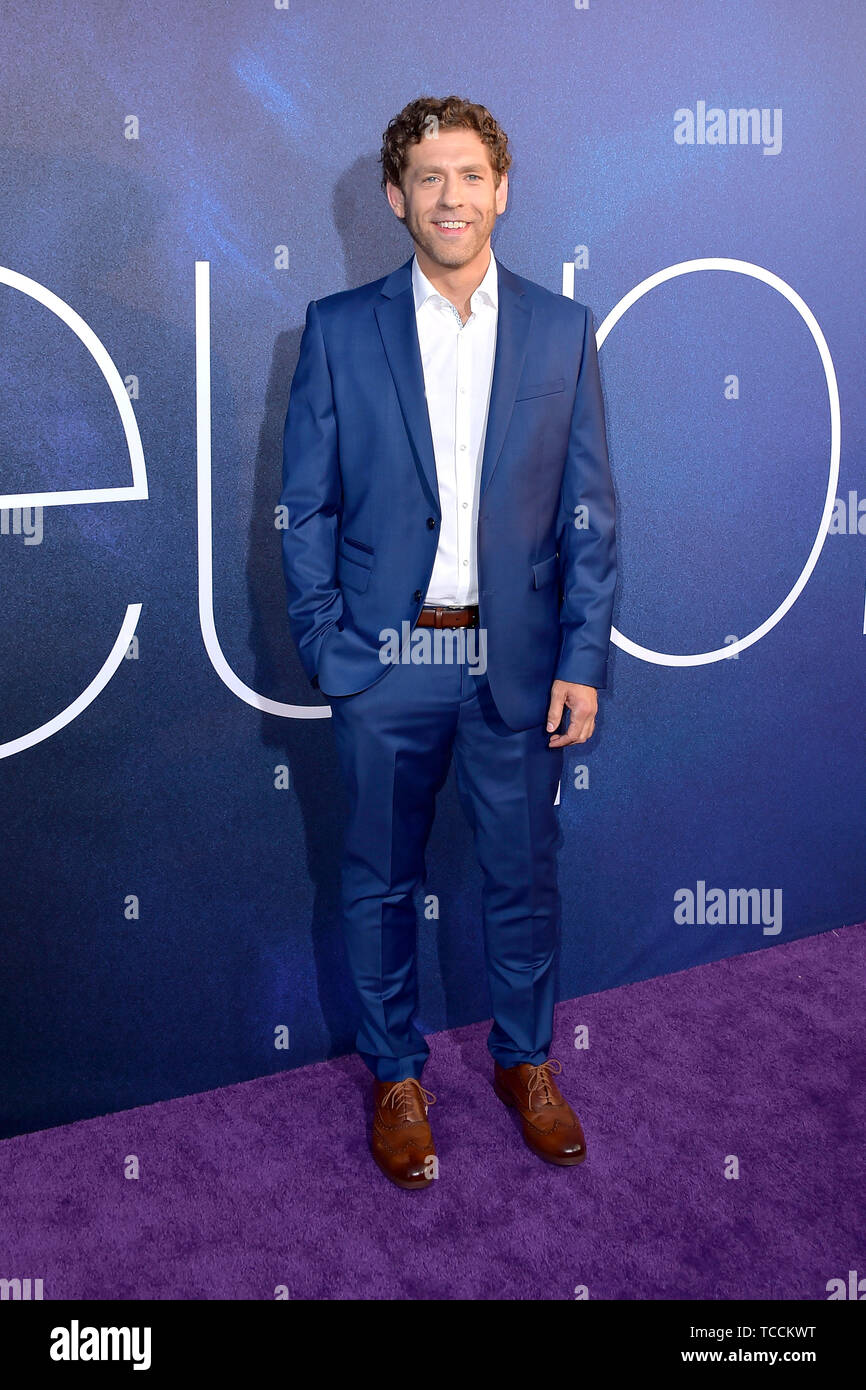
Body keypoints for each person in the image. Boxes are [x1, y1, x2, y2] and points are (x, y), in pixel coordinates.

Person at [280, 95, 616, 1190]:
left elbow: (588, 511)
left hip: (513, 665)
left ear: (501, 189)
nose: (450, 196)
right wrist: (334, 650)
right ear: (395, 198)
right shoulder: (337, 328)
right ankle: (394, 1075)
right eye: (427, 177)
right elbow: (306, 509)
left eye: (469, 175)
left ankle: (523, 1063)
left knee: (523, 878)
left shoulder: (562, 331)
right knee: (377, 880)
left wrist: (580, 657)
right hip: (388, 665)